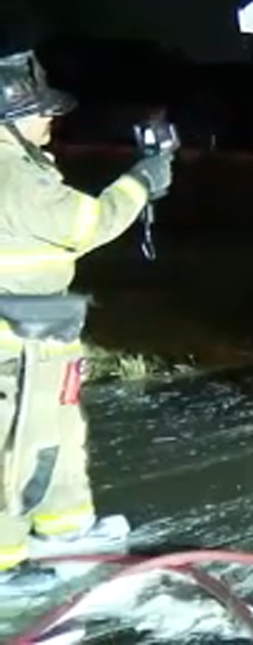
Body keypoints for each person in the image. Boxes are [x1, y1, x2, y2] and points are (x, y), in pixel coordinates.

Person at [0, 50, 173, 593]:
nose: (49, 120)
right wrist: (141, 181)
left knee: (61, 433)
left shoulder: (23, 164)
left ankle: (66, 528)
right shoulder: (13, 172)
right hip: (16, 338)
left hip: (44, 330)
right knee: (17, 448)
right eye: (38, 111)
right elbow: (84, 223)